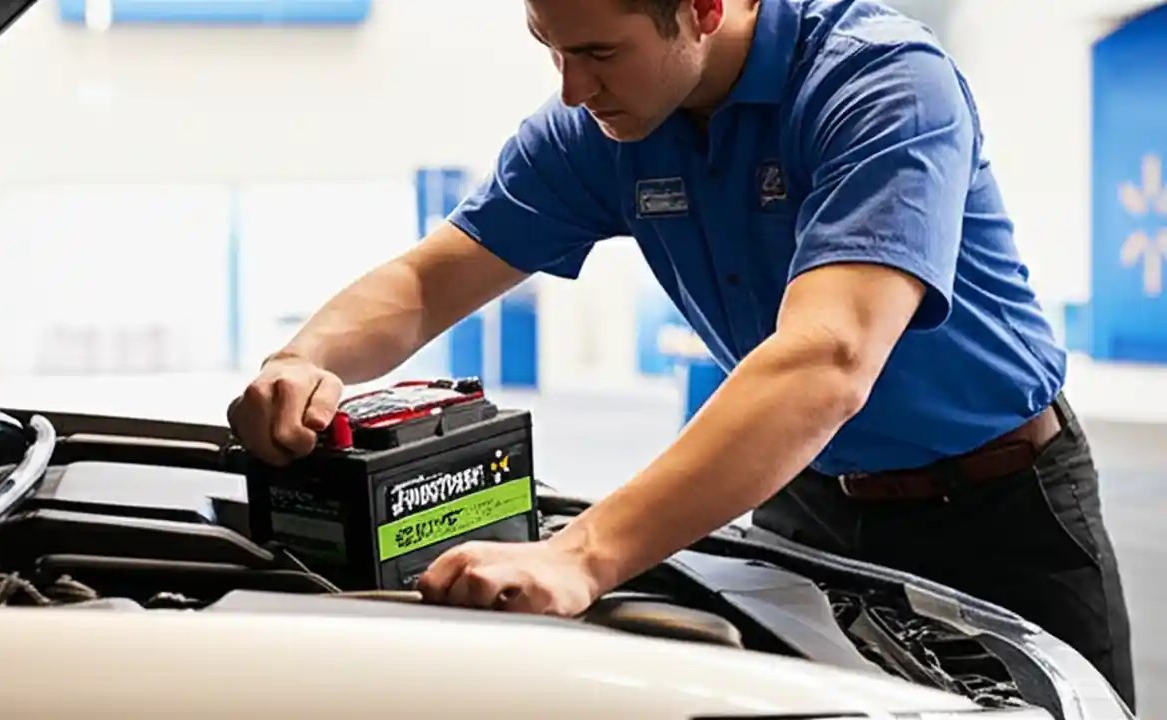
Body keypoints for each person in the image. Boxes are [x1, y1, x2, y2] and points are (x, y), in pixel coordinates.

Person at [227, 0, 1135, 708]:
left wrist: (580, 556)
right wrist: (304, 361)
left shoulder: (880, 85)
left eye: (598, 53)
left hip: (1001, 508)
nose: (573, 88)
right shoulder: (600, 129)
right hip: (807, 504)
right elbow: (434, 280)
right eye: (552, 49)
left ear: (703, 9)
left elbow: (827, 359)